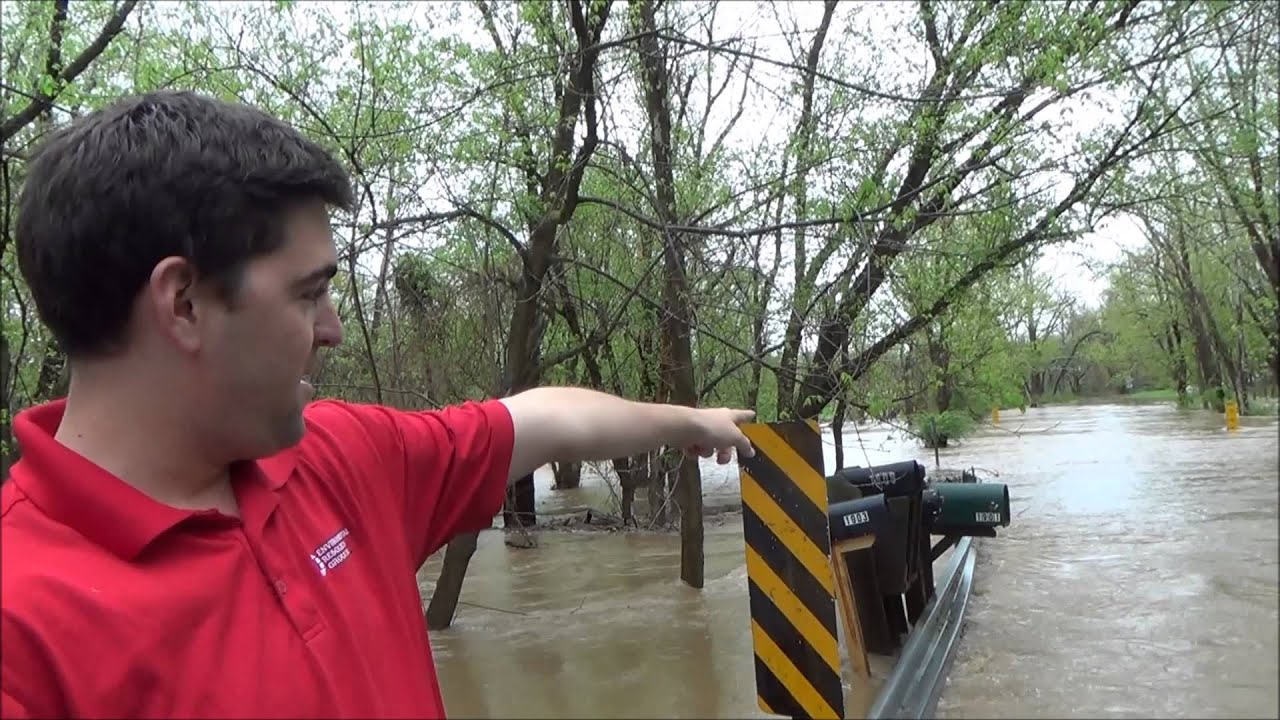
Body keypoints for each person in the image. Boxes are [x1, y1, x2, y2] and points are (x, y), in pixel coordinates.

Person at [0, 90, 756, 719]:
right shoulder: (23, 632)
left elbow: (546, 418)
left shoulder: (338, 457)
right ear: (185, 302)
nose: (331, 329)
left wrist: (693, 423)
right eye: (311, 292)